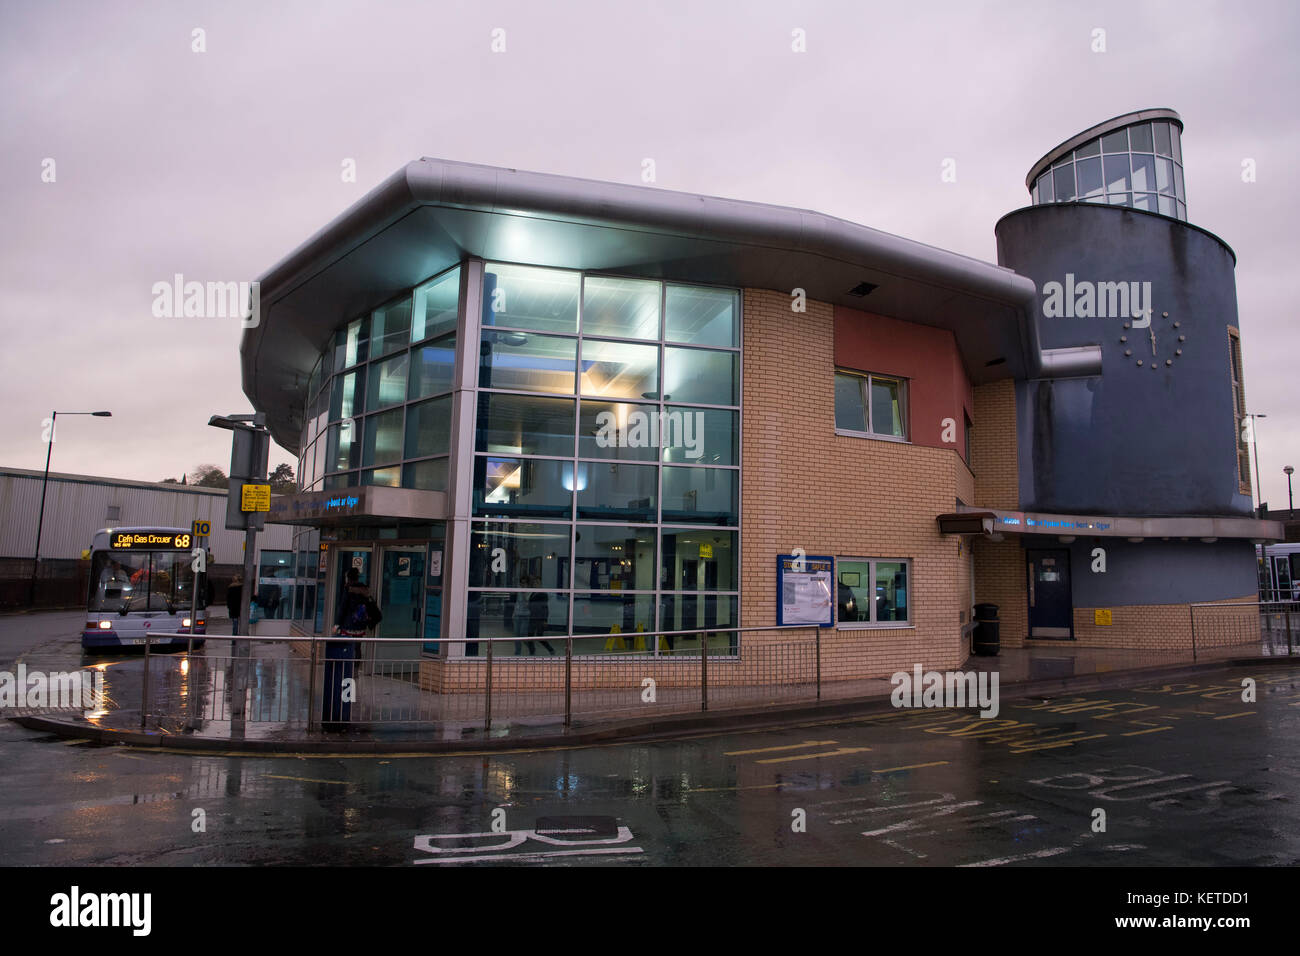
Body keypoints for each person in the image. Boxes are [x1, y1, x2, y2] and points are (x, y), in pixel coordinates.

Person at [324, 568, 381, 730]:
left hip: (349, 624)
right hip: (360, 624)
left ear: (348, 577)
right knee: (357, 646)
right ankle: (356, 668)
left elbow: (342, 608)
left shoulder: (348, 589)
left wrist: (337, 624)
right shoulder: (364, 589)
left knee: (345, 646)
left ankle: (348, 668)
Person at [526, 578, 555, 655]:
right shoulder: (532, 593)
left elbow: (545, 607)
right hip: (532, 617)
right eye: (534, 583)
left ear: (540, 584)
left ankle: (550, 649)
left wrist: (545, 620)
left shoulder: (543, 594)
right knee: (530, 635)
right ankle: (532, 651)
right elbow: (530, 604)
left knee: (539, 636)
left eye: (537, 583)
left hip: (540, 618)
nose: (535, 584)